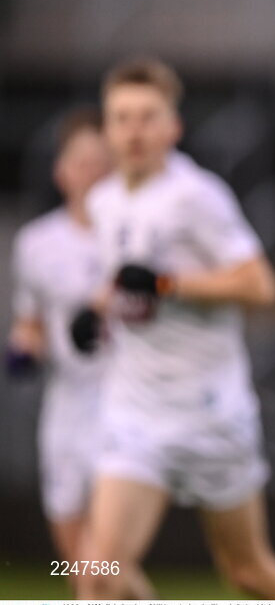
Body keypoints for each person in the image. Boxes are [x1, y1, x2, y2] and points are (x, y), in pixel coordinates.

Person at [74, 57, 275, 599]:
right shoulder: (105, 201)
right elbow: (127, 274)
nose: (134, 131)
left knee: (246, 571)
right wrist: (97, 308)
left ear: (172, 127)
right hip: (135, 414)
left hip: (210, 414)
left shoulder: (198, 196)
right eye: (121, 118)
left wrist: (168, 285)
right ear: (105, 129)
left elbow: (260, 286)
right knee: (98, 574)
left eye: (147, 117)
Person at [6, 107, 112, 594]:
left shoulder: (138, 232)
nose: (91, 172)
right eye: (81, 161)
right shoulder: (37, 242)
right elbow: (30, 322)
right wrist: (23, 348)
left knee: (103, 558)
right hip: (67, 404)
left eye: (100, 161)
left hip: (127, 402)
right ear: (61, 170)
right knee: (79, 564)